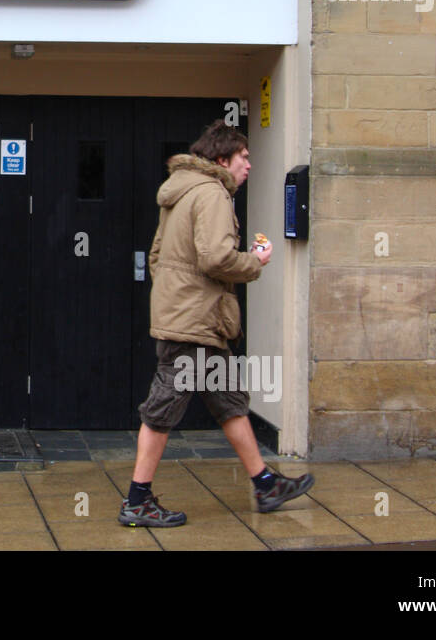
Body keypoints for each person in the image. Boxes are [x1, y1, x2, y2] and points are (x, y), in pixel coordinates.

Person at [118, 120, 314, 527]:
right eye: (244, 157)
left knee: (229, 403)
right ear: (222, 158)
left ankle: (265, 484)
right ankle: (137, 501)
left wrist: (177, 295)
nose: (249, 166)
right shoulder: (212, 193)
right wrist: (255, 262)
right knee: (161, 409)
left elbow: (157, 256)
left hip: (194, 319)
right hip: (194, 324)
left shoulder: (181, 191)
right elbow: (215, 258)